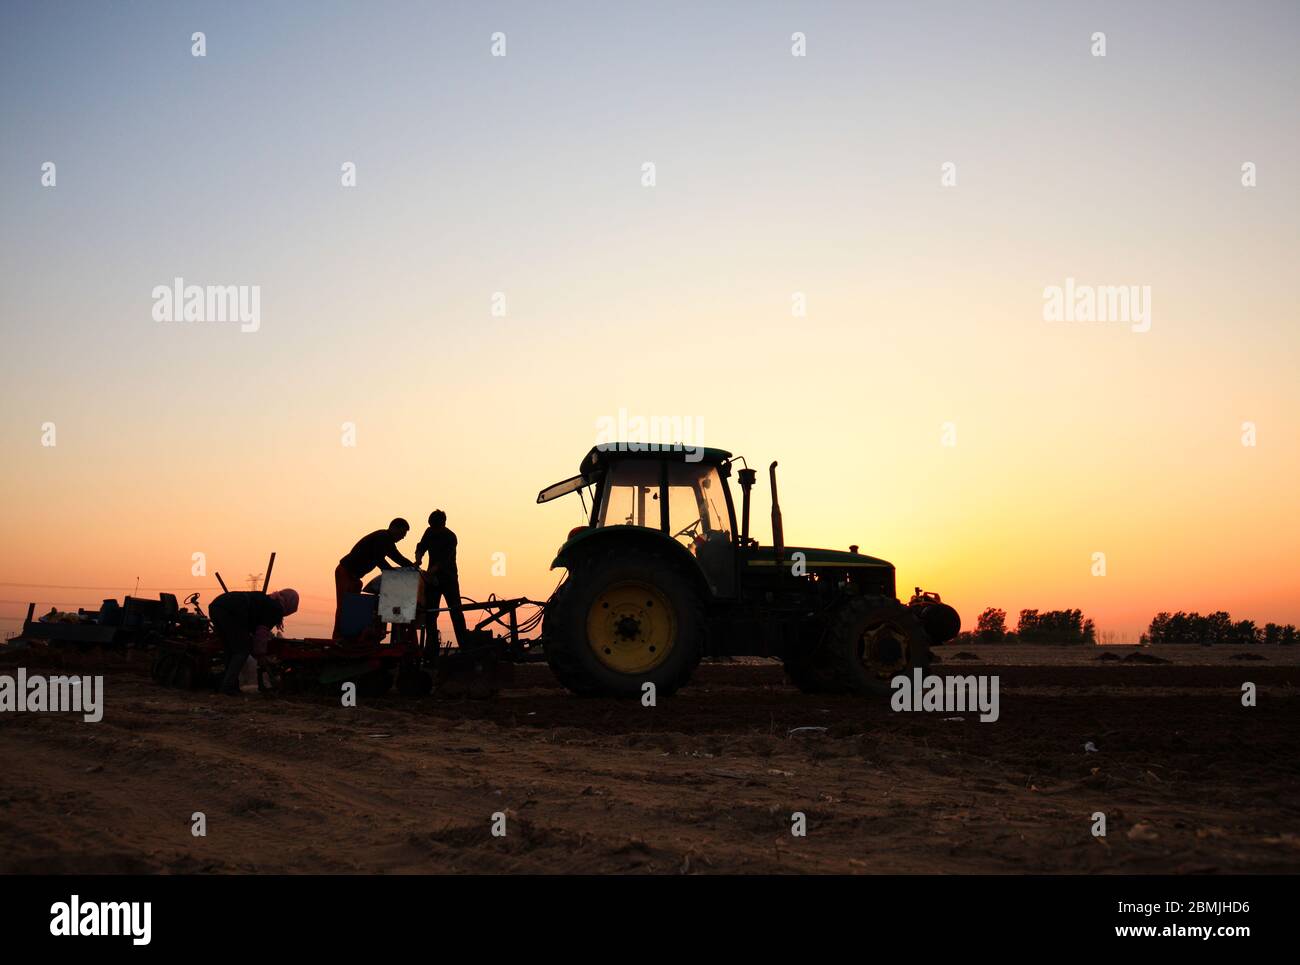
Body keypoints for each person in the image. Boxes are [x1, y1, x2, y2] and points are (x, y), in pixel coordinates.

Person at [208, 588, 299, 696]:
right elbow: (262, 632)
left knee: (231, 650)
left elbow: (257, 628)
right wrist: (260, 654)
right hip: (230, 612)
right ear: (290, 604)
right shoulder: (276, 608)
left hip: (217, 606)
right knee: (241, 651)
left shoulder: (268, 601)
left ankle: (230, 686)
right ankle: (227, 688)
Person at [334, 518, 414, 639]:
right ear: (394, 528)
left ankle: (350, 637)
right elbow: (379, 559)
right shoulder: (382, 537)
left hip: (355, 578)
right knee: (344, 607)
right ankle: (337, 637)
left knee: (353, 607)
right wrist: (393, 573)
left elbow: (398, 558)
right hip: (345, 572)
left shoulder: (388, 542)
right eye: (401, 534)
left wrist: (413, 567)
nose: (402, 537)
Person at [416, 509, 468, 648]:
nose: (434, 530)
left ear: (443, 524)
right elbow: (421, 546)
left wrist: (430, 572)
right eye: (432, 527)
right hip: (432, 581)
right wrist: (418, 558)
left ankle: (465, 646)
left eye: (436, 528)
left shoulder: (451, 537)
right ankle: (431, 650)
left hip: (449, 579)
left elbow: (444, 560)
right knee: (430, 614)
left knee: (456, 612)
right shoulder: (429, 532)